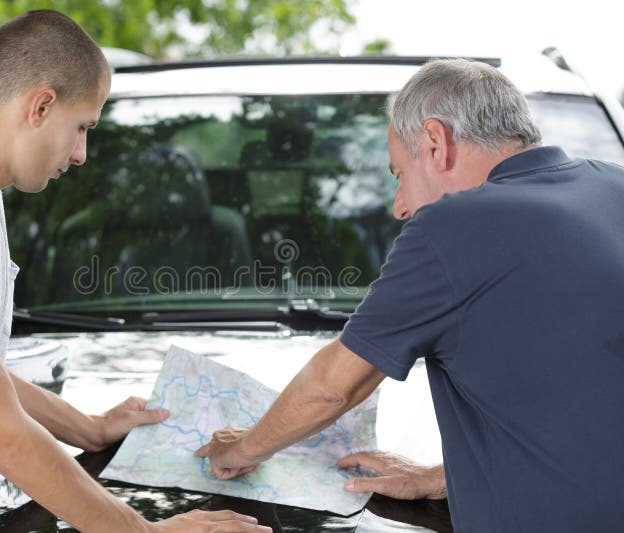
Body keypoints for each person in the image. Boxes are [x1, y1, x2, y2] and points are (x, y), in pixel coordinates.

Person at [0, 10, 270, 533]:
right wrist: (147, 531)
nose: (81, 154)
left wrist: (90, 429)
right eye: (82, 127)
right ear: (40, 106)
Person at [198, 58, 624, 532]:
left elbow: (334, 386)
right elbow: (584, 400)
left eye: (399, 174)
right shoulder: (616, 185)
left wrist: (238, 450)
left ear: (436, 142)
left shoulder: (456, 224)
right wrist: (446, 477)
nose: (400, 207)